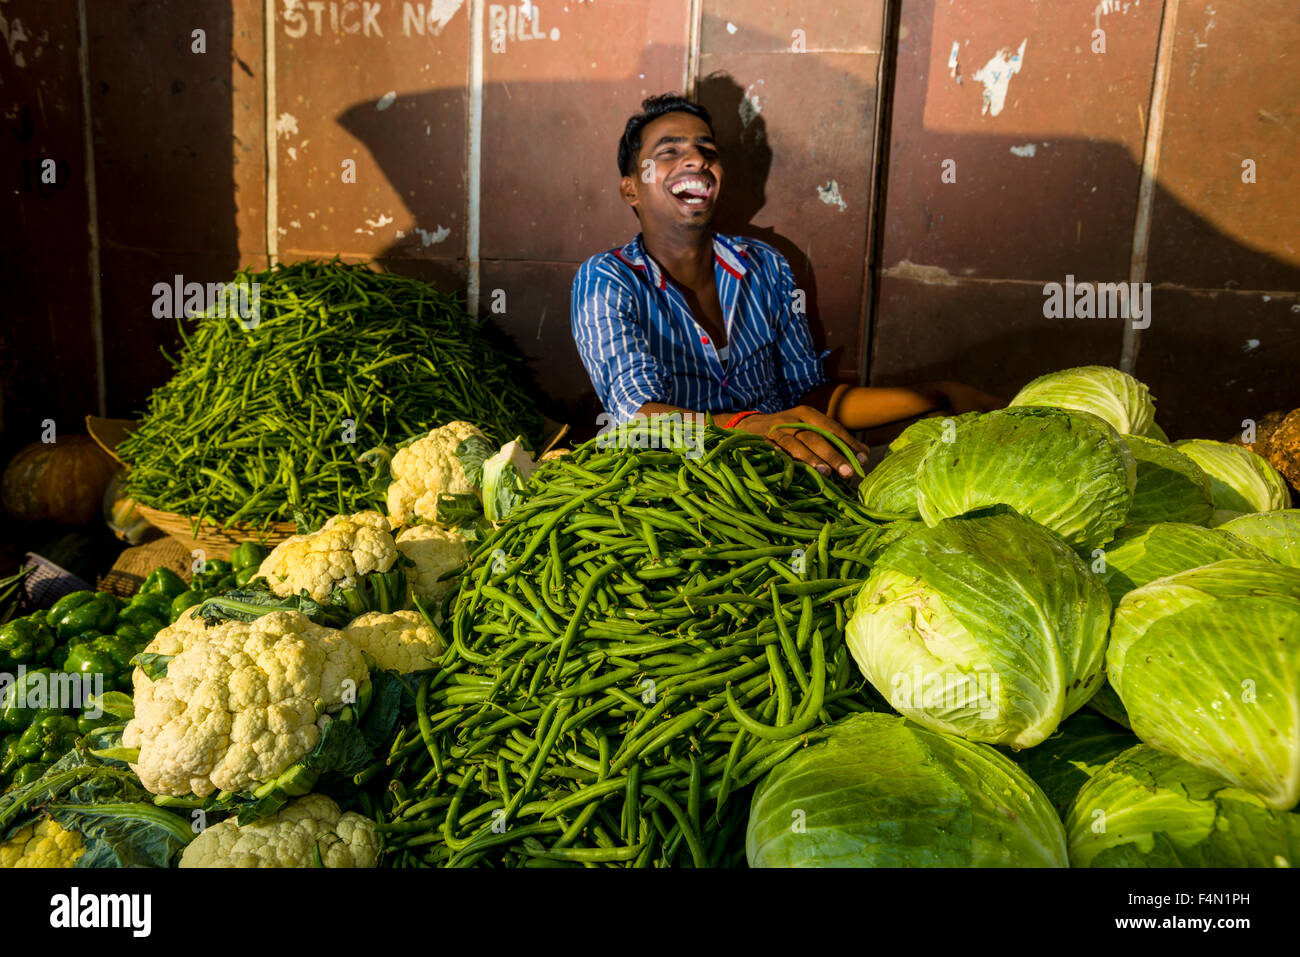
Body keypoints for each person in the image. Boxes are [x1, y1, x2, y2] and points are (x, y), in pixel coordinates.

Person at [570, 93, 1002, 480]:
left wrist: (935, 395)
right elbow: (636, 417)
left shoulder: (766, 266)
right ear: (631, 189)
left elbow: (808, 397)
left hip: (787, 482)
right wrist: (750, 424)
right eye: (670, 151)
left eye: (707, 150)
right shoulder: (608, 280)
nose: (697, 160)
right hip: (680, 498)